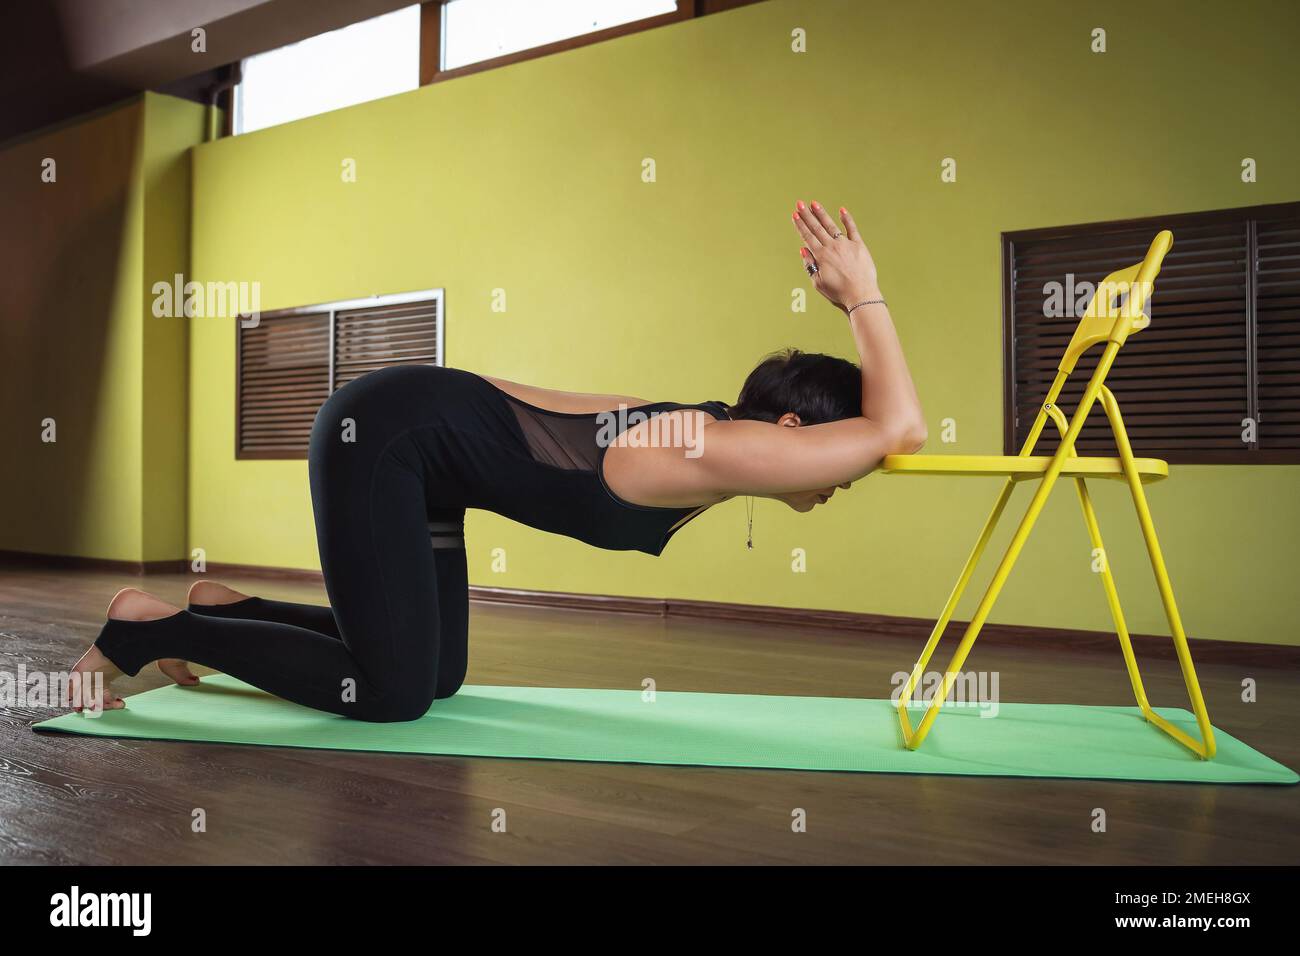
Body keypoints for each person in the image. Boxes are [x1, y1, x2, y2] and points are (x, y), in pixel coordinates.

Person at [68, 201, 926, 720]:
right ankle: (150, 631)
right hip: (390, 437)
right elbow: (904, 430)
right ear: (789, 430)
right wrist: (863, 295)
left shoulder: (702, 433)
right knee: (395, 694)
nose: (843, 479)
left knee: (436, 674)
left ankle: (229, 614)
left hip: (425, 457)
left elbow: (537, 409)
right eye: (836, 460)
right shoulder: (719, 445)